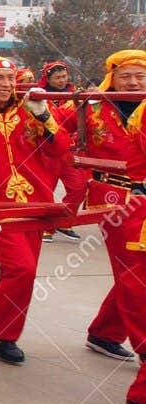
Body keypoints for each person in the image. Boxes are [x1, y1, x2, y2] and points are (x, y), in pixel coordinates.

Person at [0, 56, 70, 364]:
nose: (5, 85)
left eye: (9, 79)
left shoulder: (31, 109)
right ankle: (4, 334)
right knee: (20, 269)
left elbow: (59, 148)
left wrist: (44, 117)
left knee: (24, 272)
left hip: (35, 203)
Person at [74, 50, 146, 360]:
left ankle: (104, 333)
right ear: (112, 79)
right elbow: (53, 133)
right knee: (134, 272)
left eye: (140, 76)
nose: (133, 82)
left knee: (134, 272)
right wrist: (39, 109)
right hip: (113, 197)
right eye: (125, 76)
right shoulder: (92, 106)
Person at [39, 61, 86, 241]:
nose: (61, 80)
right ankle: (44, 227)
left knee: (79, 187)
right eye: (57, 77)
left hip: (69, 150)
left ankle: (63, 221)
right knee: (45, 189)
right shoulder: (38, 96)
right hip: (46, 150)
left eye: (64, 76)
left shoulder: (75, 95)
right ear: (48, 78)